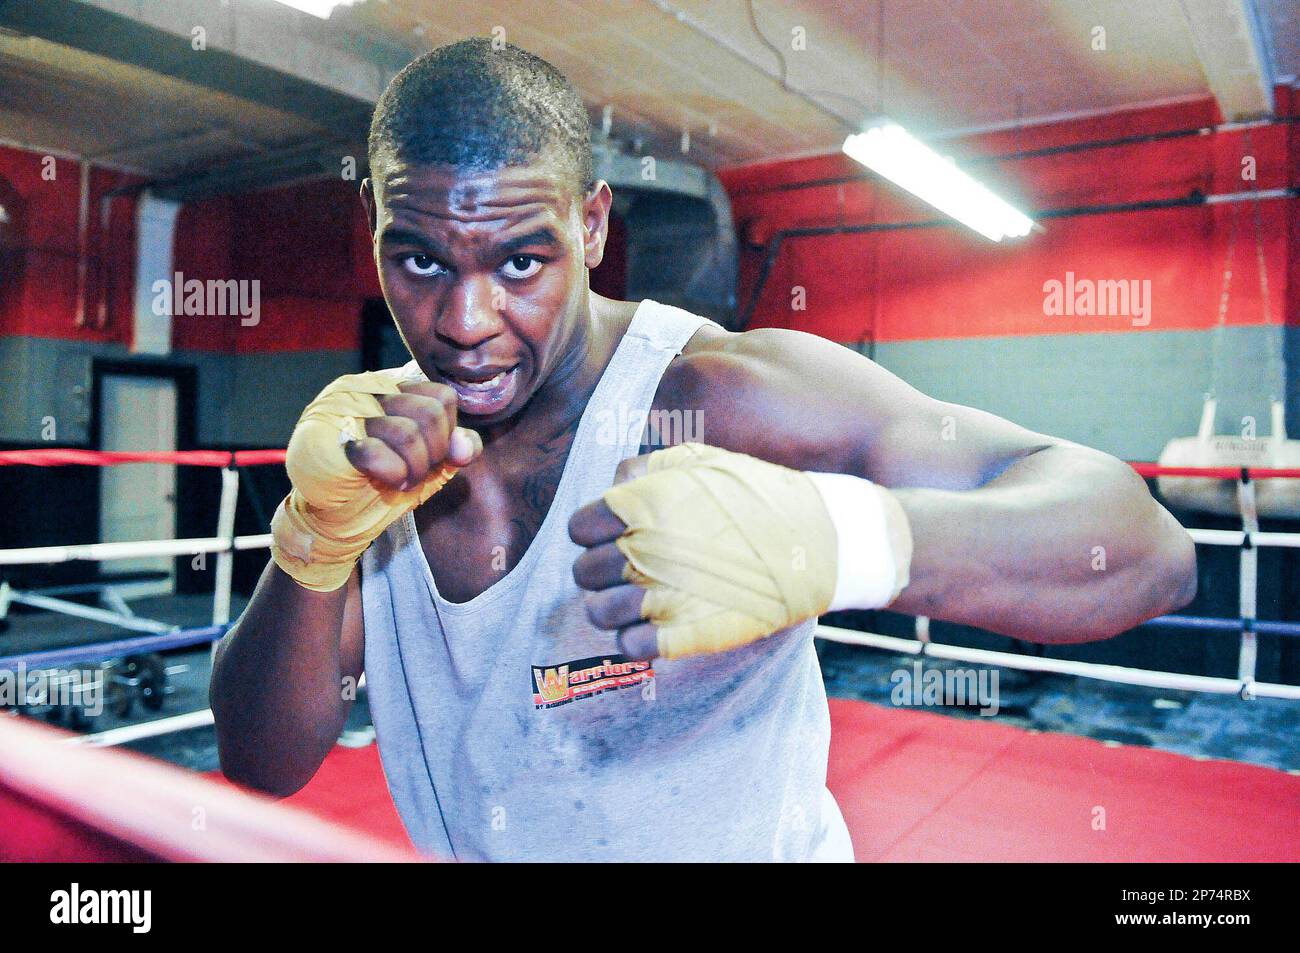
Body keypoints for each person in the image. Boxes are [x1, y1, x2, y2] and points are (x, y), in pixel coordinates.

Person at [210, 38, 1197, 862]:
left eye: (520, 260)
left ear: (591, 225)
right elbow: (265, 759)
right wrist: (310, 540)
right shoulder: (373, 447)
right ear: (373, 230)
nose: (466, 321)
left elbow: (1145, 549)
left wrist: (833, 539)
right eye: (420, 259)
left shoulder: (720, 394)